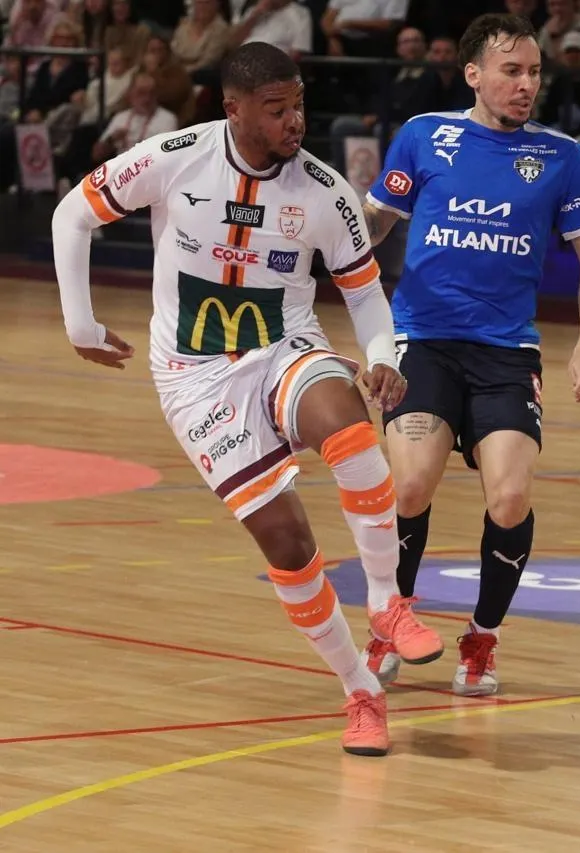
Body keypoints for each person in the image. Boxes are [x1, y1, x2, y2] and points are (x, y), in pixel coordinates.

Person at [49, 41, 447, 758]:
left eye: (298, 104)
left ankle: (387, 601)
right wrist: (79, 323)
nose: (294, 120)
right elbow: (71, 214)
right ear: (233, 110)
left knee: (347, 423)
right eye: (277, 109)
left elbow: (366, 298)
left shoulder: (325, 190)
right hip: (195, 379)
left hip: (284, 348)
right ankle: (361, 688)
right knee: (288, 545)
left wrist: (384, 357)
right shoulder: (173, 156)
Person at [359, 13, 580, 695]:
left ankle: (483, 636)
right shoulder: (424, 137)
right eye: (512, 71)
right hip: (425, 342)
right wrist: (333, 224)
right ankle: (392, 618)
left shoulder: (563, 157)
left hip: (506, 351)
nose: (527, 83)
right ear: (474, 74)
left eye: (534, 72)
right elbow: (377, 218)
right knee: (409, 485)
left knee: (509, 496)